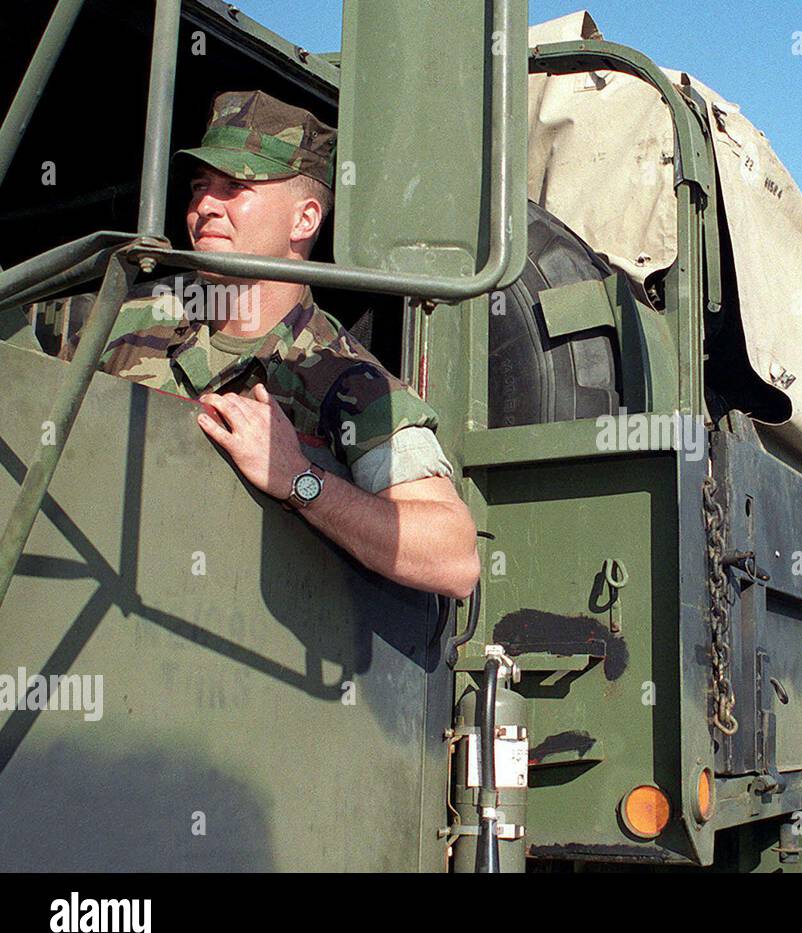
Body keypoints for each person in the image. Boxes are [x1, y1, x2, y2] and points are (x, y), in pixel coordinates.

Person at [38, 90, 478, 598]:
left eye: (235, 186)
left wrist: (298, 479)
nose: (204, 206)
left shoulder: (345, 379)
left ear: (304, 220)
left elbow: (453, 558)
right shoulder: (121, 320)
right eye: (200, 186)